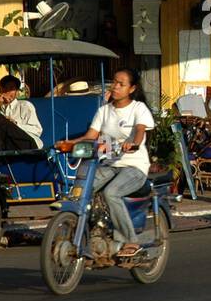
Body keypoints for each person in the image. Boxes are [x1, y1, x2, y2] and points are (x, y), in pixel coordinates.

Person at [57, 68, 155, 257]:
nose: (116, 87)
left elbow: (140, 130)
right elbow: (90, 136)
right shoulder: (104, 111)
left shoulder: (138, 108)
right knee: (81, 191)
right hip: (110, 164)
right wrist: (68, 143)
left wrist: (133, 143)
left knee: (111, 193)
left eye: (121, 84)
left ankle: (130, 240)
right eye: (115, 83)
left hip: (134, 166)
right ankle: (95, 230)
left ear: (132, 88)